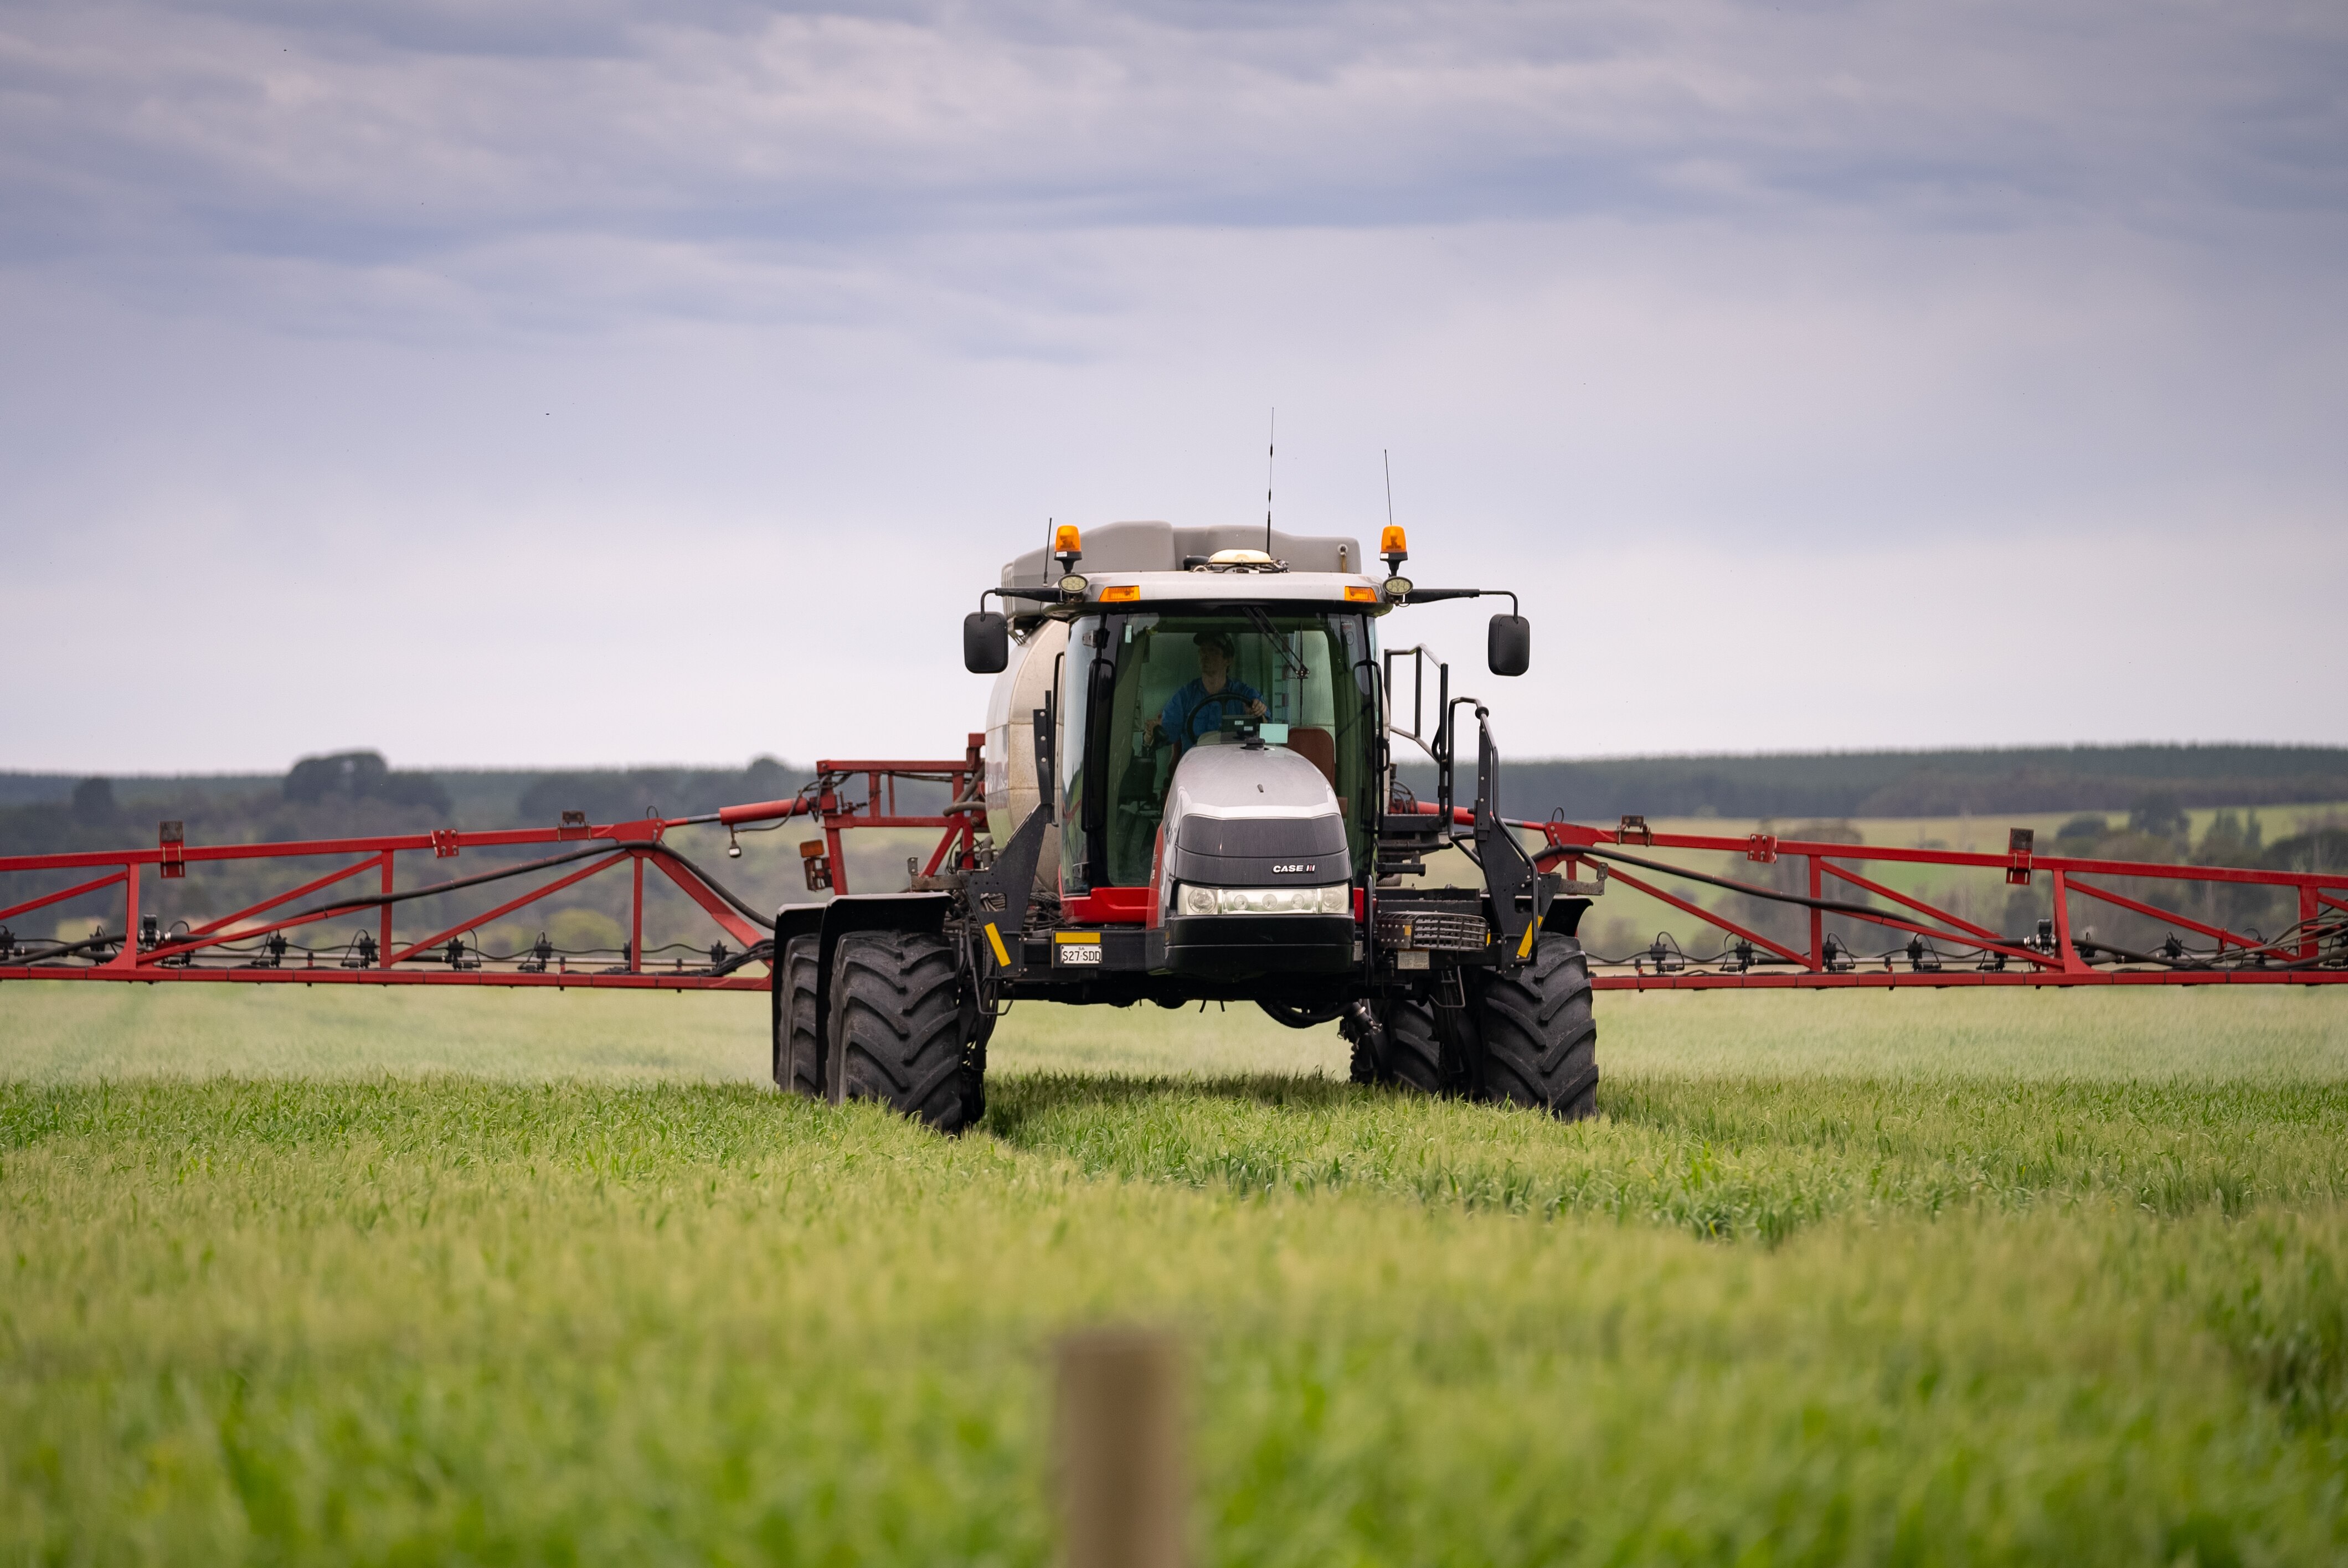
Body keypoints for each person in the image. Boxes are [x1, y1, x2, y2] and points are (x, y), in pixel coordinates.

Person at [1145, 631, 1267, 756]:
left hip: (1235, 767)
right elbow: (1167, 733)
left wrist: (1256, 715)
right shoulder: (1185, 696)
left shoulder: (1246, 695)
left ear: (1228, 660)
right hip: (1195, 768)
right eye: (1202, 651)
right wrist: (1154, 730)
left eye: (1213, 651)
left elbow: (1268, 734)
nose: (1206, 655)